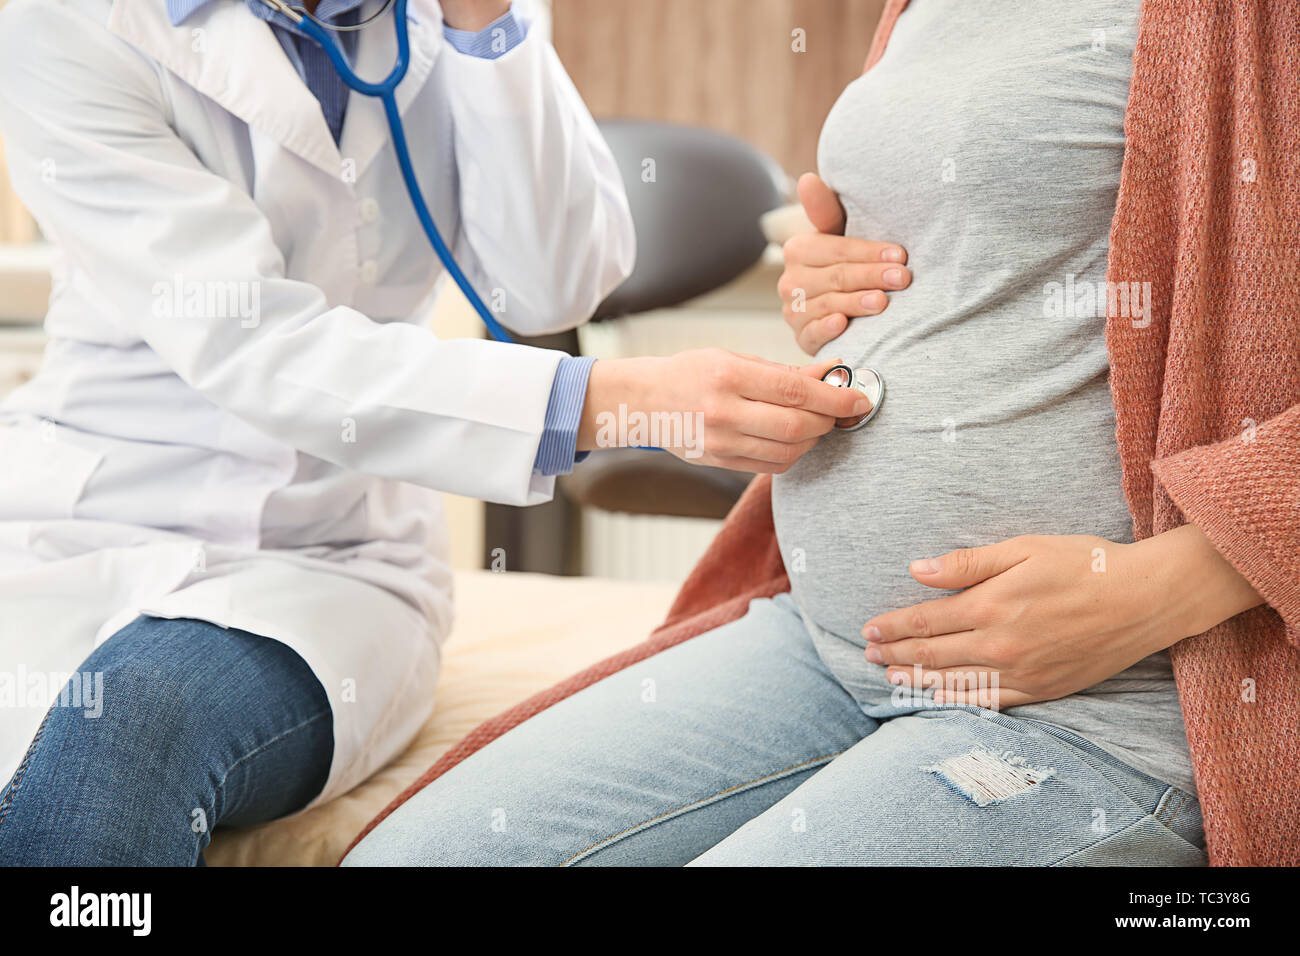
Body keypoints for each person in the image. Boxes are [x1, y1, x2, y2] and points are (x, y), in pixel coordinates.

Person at [342, 0, 1280, 867]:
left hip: (1101, 708)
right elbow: (979, 253)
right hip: (824, 648)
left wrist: (1168, 587)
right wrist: (832, 286)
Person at [0, 0, 867, 865]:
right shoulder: (65, 22)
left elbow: (554, 285)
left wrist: (484, 26)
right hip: (84, 522)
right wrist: (615, 401)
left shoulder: (453, 15)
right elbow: (249, 339)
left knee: (133, 718)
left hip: (332, 559)